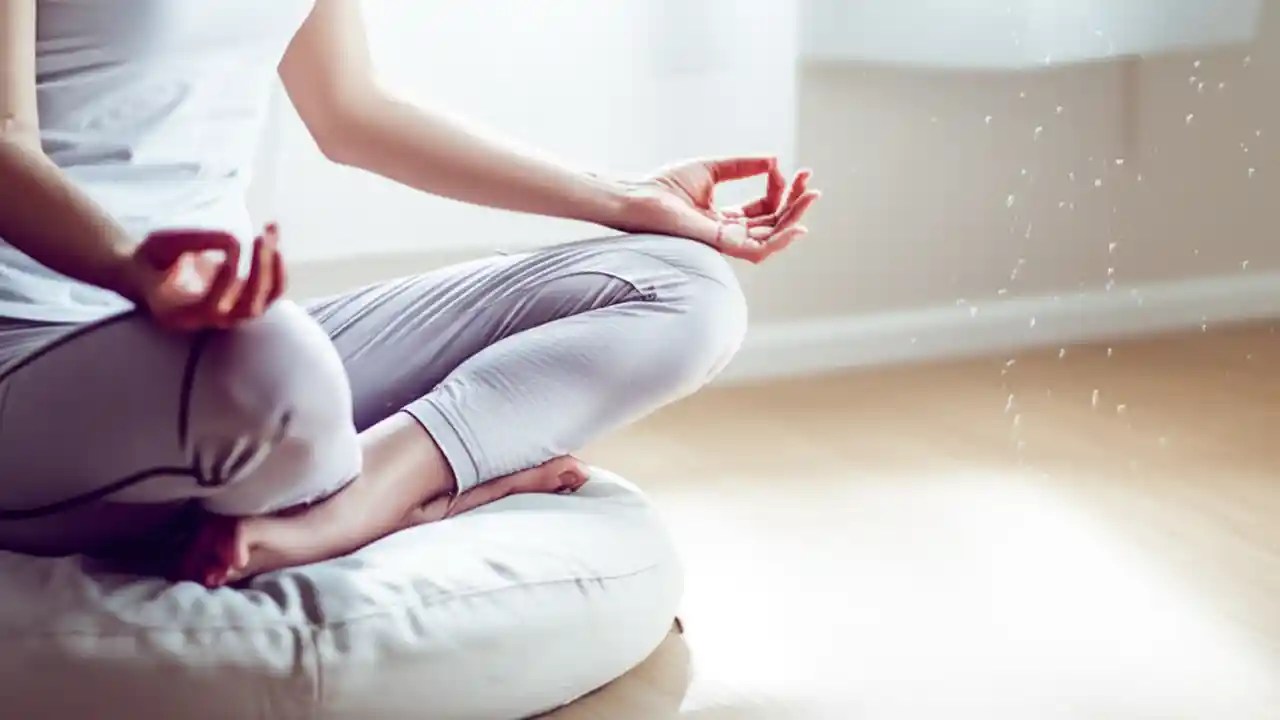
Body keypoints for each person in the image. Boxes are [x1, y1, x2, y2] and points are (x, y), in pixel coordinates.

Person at [0, 0, 819, 588]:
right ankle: (436, 488)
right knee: (281, 367)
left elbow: (353, 112)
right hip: (37, 353)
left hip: (225, 342)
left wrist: (624, 199)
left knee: (684, 287)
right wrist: (136, 270)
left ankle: (356, 507)